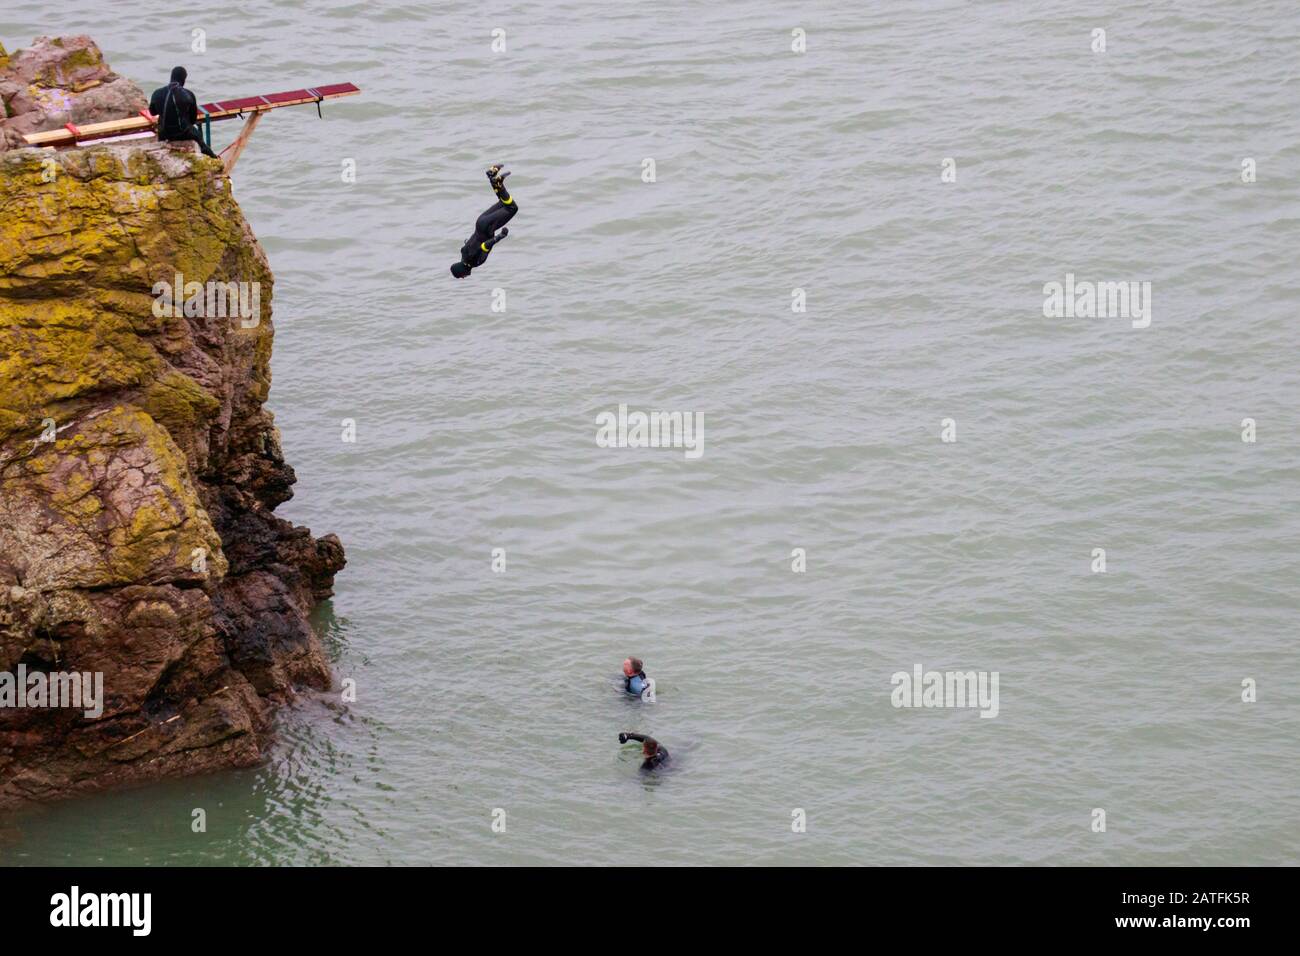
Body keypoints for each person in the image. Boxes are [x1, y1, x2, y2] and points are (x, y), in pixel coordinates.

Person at [450, 165, 517, 278]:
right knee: (504, 202)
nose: (463, 277)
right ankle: (492, 177)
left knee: (512, 208)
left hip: (488, 227)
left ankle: (497, 182)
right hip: (480, 222)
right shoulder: (463, 254)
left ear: (462, 271)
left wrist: (500, 237)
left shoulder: (475, 262)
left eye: (461, 276)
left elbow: (484, 246)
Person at [148, 67, 218, 158]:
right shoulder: (188, 94)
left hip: (164, 134)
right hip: (183, 133)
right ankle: (213, 157)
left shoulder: (157, 93)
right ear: (183, 79)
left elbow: (152, 112)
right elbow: (193, 120)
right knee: (199, 137)